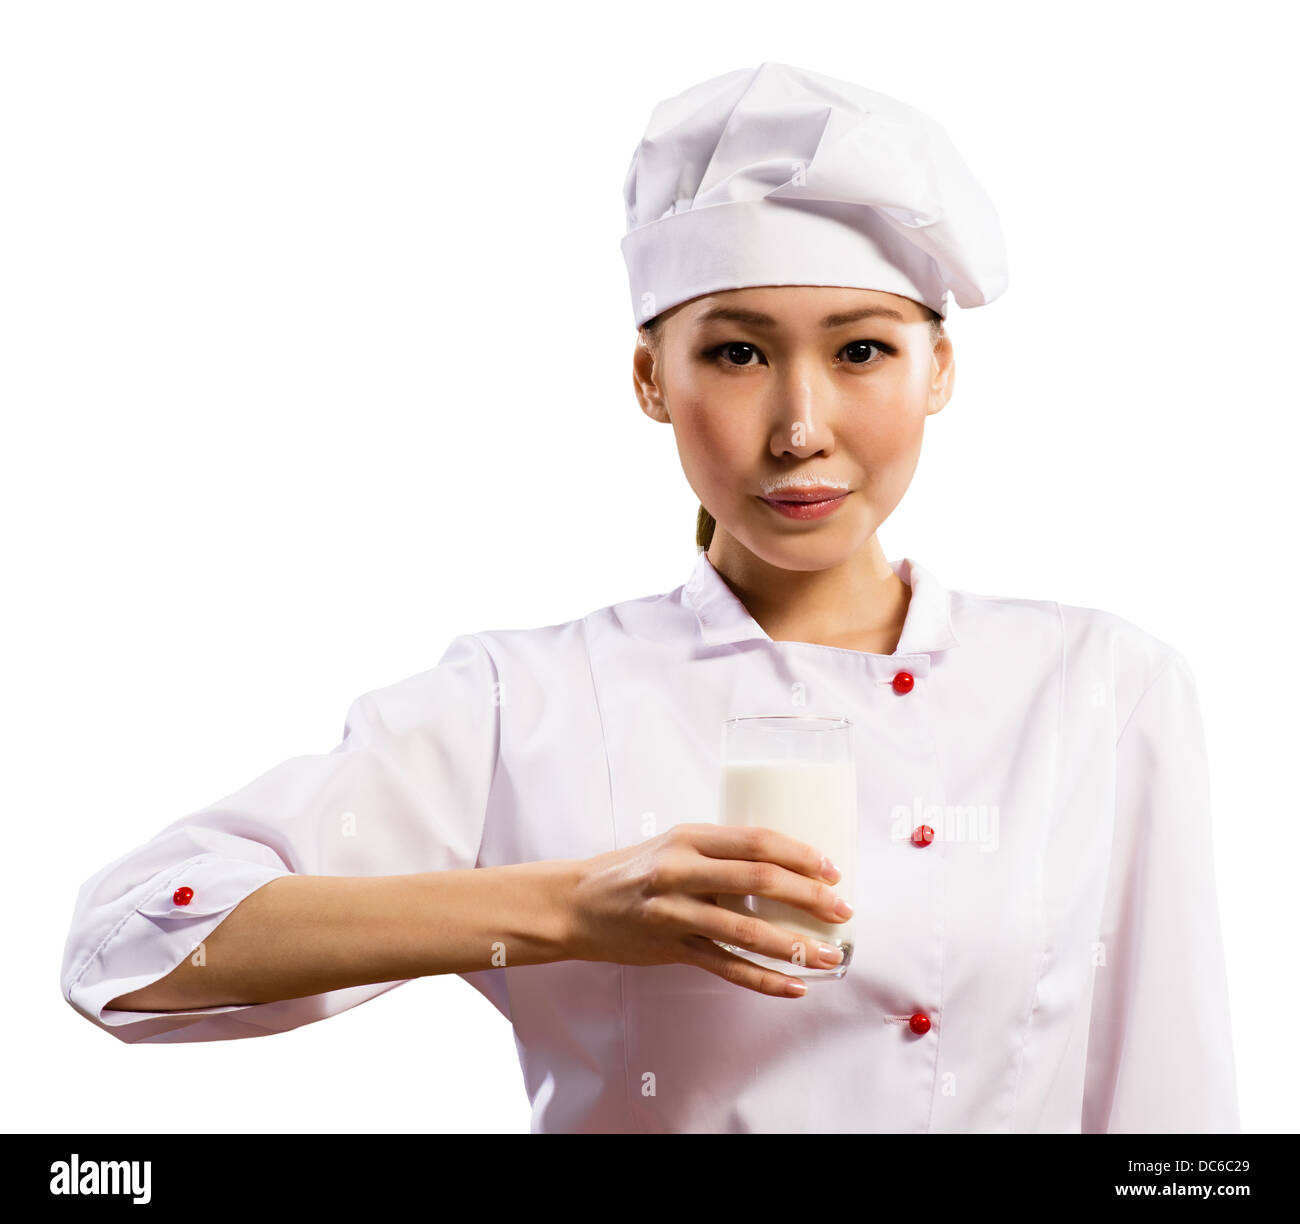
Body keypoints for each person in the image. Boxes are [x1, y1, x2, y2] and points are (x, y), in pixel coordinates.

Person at [59, 61, 1240, 1134]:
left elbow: (1170, 1120)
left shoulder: (1100, 689)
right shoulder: (530, 701)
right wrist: (570, 906)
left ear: (940, 369)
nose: (799, 426)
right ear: (648, 378)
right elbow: (128, 948)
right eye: (735, 352)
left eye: (861, 350)